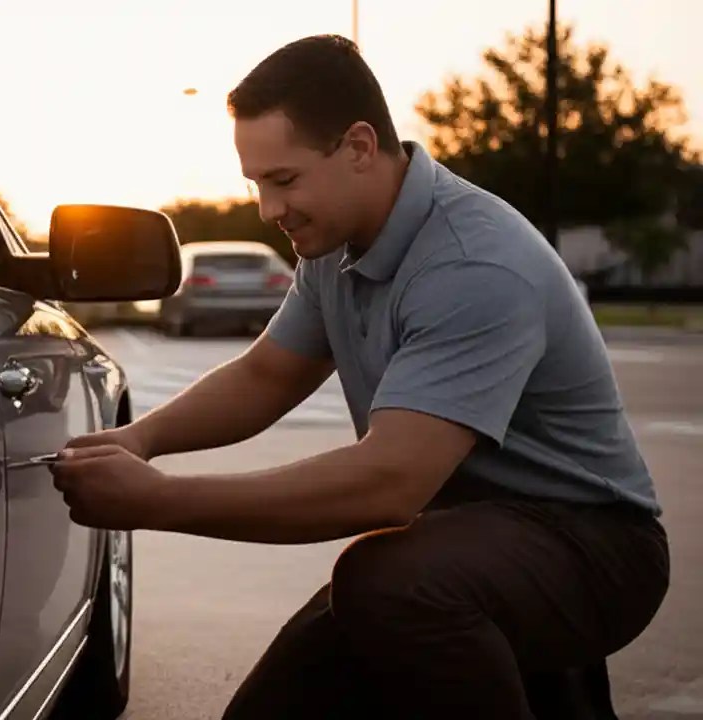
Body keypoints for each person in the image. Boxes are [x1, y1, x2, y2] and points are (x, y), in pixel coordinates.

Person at [52, 34, 669, 719]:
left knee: (389, 582)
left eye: (283, 180)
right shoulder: (334, 246)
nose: (268, 209)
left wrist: (157, 501)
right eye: (256, 184)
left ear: (359, 147)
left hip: (590, 546)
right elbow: (265, 375)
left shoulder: (471, 263)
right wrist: (138, 442)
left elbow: (389, 484)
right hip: (461, 542)